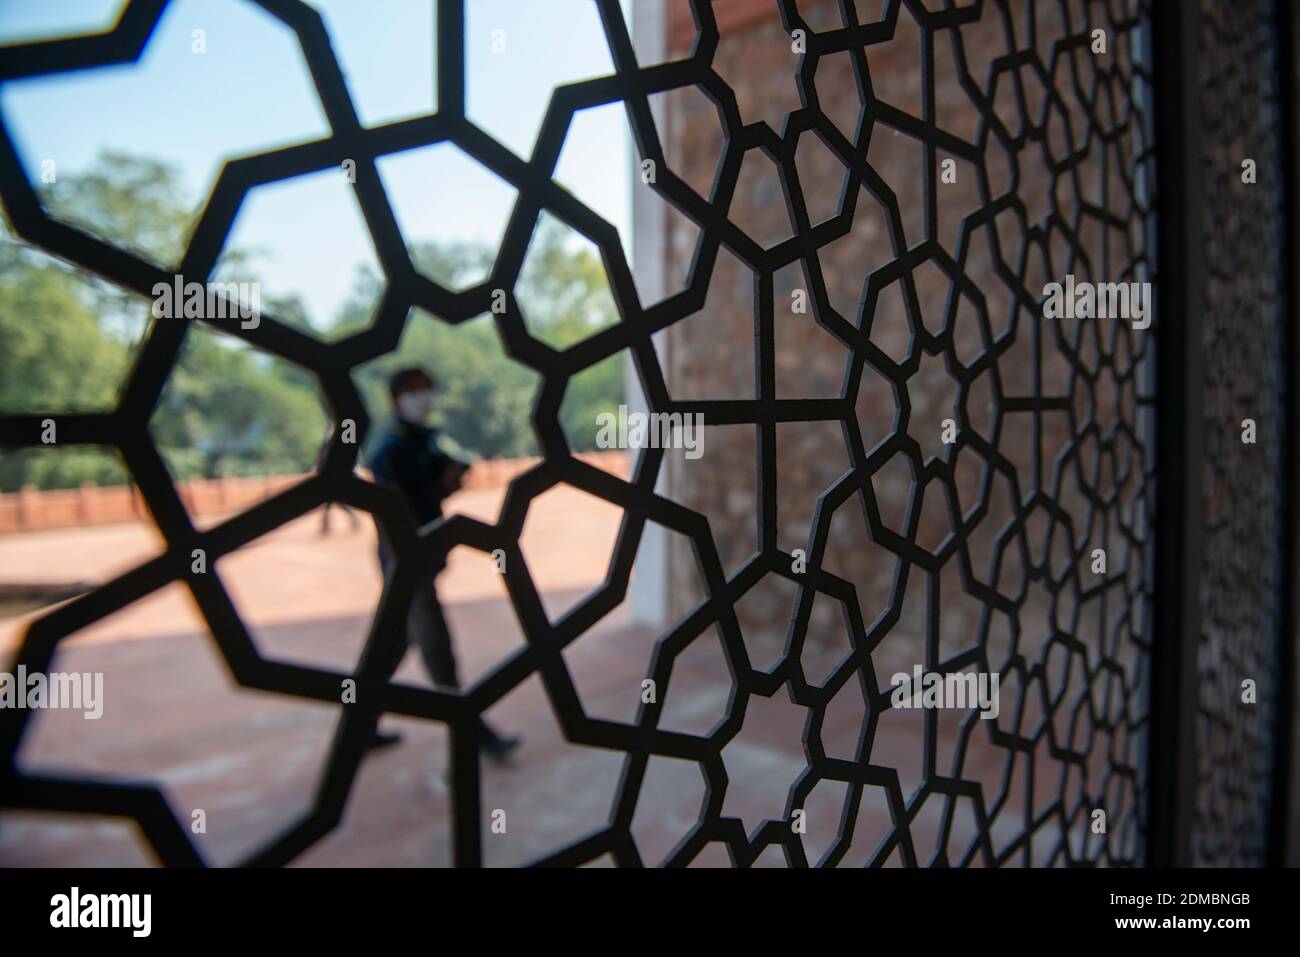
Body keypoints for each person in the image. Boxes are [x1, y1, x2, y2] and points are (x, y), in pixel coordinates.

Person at [365, 366, 520, 761]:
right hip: (406, 563)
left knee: (394, 646)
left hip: (423, 558)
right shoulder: (390, 448)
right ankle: (477, 734)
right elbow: (403, 502)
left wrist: (448, 479)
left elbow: (441, 476)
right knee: (438, 652)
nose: (423, 398)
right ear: (397, 397)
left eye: (427, 390)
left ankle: (360, 725)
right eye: (414, 391)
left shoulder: (422, 439)